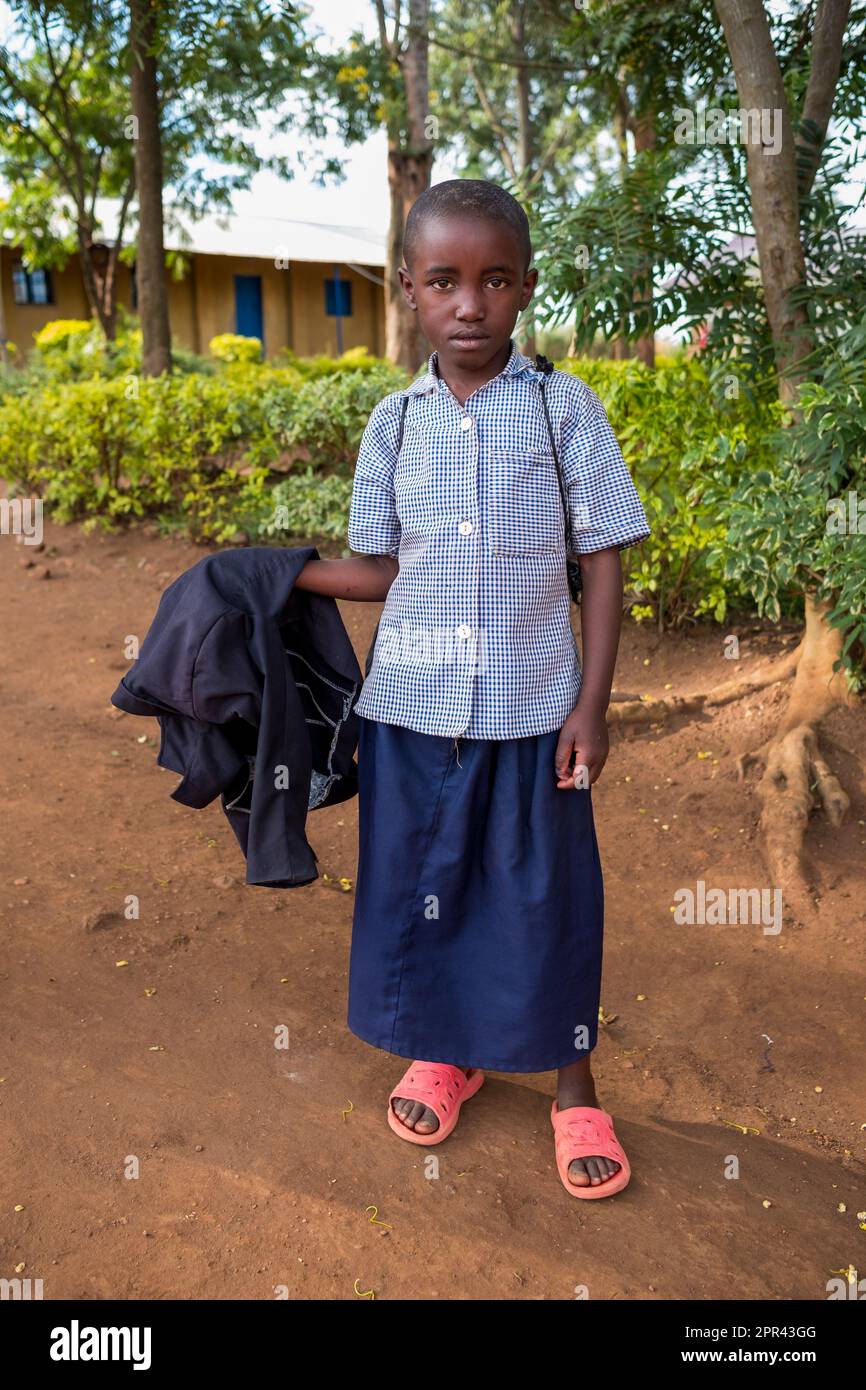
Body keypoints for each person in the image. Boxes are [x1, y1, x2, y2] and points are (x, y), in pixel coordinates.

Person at [294, 178, 650, 1199]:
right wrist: (283, 571)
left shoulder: (559, 408)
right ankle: (446, 1053)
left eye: (493, 280)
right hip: (409, 713)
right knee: (419, 891)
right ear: (407, 287)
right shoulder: (392, 425)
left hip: (532, 714)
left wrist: (591, 705)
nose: (468, 303)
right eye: (443, 280)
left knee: (544, 899)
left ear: (524, 287)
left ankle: (572, 1084)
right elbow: (384, 570)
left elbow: (602, 560)